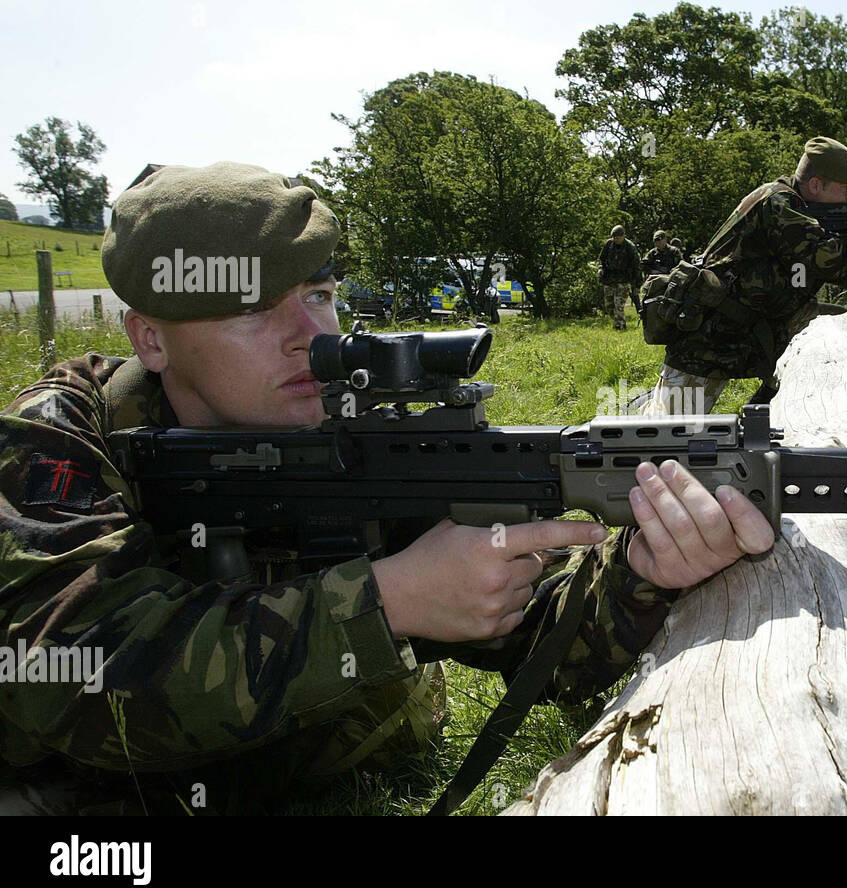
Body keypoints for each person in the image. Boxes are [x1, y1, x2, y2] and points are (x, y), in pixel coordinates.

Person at [0, 162, 775, 814]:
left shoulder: (358, 427)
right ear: (151, 337)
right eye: (254, 308)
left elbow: (548, 645)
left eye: (319, 294)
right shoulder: (58, 438)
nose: (310, 335)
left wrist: (644, 573)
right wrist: (388, 601)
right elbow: (73, 675)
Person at [640, 137, 847, 415]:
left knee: (844, 345)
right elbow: (823, 258)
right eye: (846, 189)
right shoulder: (778, 201)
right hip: (713, 336)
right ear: (816, 184)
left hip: (771, 328)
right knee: (663, 434)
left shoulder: (814, 216)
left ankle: (765, 424)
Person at [597, 225, 640, 330]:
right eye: (614, 238)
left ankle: (620, 326)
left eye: (618, 238)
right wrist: (600, 268)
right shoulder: (608, 244)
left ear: (623, 236)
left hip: (623, 280)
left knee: (618, 305)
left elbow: (636, 267)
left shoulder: (630, 247)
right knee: (609, 305)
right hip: (609, 279)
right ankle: (618, 322)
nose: (615, 240)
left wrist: (637, 285)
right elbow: (601, 259)